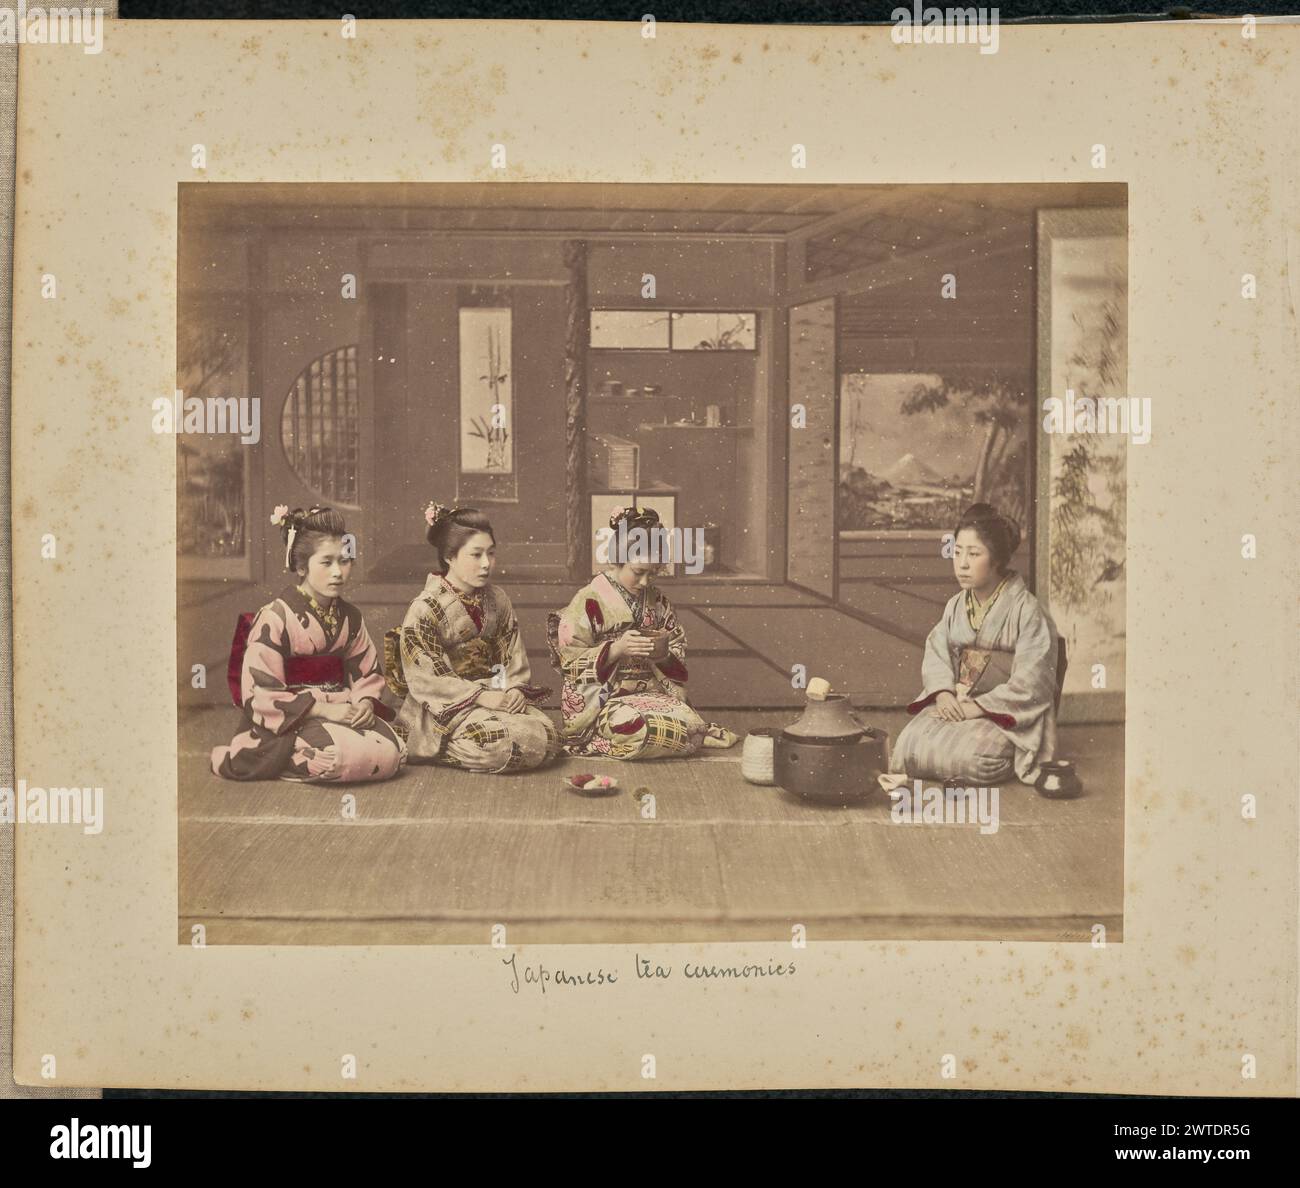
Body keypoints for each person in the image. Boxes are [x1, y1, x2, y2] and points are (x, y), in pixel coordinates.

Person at [212, 505, 407, 783]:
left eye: (344, 561)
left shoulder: (350, 617)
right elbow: (261, 691)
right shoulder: (275, 617)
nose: (338, 572)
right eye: (326, 562)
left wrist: (365, 701)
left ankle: (311, 754)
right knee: (336, 757)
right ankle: (287, 756)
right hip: (295, 717)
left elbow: (367, 672)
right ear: (301, 566)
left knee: (395, 752)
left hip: (343, 707)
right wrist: (324, 709)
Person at [886, 503, 1060, 788]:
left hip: (1006, 712)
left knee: (972, 759)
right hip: (959, 700)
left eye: (974, 554)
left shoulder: (1028, 611)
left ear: (997, 560)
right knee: (906, 746)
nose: (962, 563)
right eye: (957, 552)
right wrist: (942, 693)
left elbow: (1034, 682)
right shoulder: (956, 604)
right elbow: (937, 649)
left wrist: (980, 706)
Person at [548, 506, 736, 759]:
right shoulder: (589, 599)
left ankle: (660, 736)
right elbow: (569, 659)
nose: (646, 582)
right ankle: (598, 739)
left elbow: (676, 645)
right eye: (639, 572)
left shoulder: (657, 600)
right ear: (618, 558)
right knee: (642, 730)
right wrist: (616, 650)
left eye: (654, 573)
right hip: (604, 699)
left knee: (692, 727)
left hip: (650, 691)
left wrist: (662, 655)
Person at [389, 503, 561, 773]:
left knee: (548, 736)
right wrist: (479, 697)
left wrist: (513, 689)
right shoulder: (425, 608)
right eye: (476, 554)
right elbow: (426, 678)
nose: (486, 564)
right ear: (450, 557)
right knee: (501, 745)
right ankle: (441, 749)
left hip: (496, 696)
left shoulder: (498, 600)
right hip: (446, 706)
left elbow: (510, 657)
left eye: (491, 554)